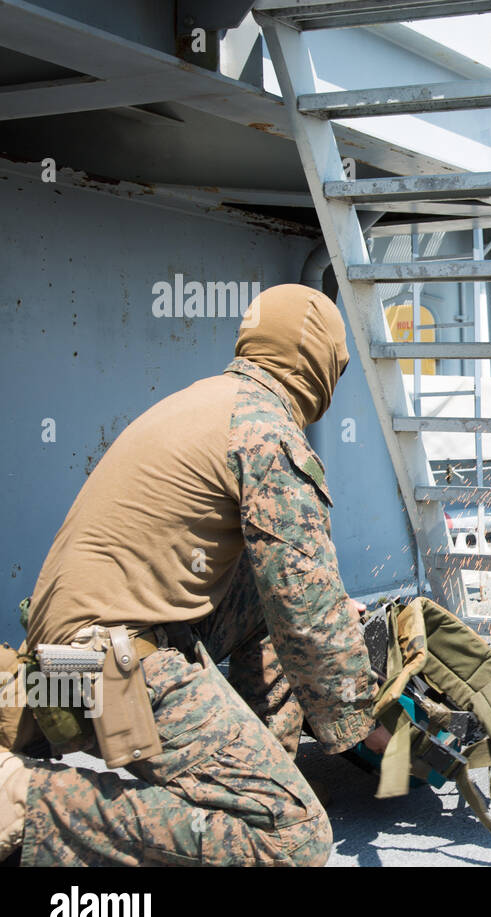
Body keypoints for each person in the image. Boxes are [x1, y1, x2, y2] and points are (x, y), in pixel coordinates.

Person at [1, 283, 386, 864]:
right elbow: (307, 614)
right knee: (295, 840)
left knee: (263, 600)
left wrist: (330, 614)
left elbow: (282, 589)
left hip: (67, 656)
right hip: (108, 666)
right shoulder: (266, 432)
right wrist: (362, 724)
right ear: (321, 365)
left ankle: (263, 776)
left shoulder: (207, 399)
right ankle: (23, 804)